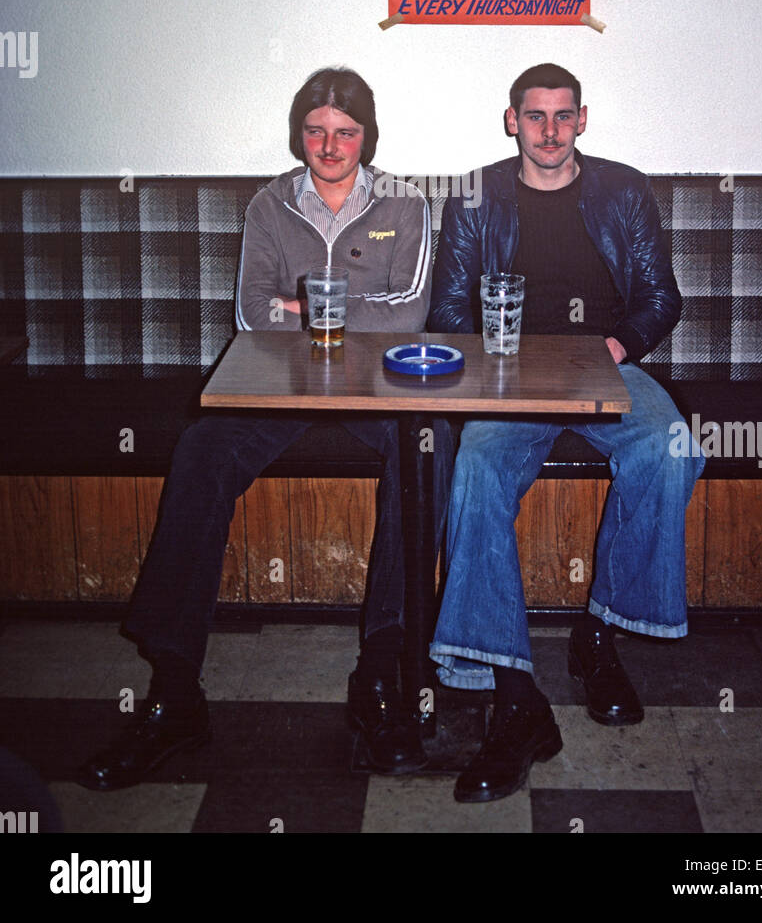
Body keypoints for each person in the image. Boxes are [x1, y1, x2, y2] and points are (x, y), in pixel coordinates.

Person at [76, 67, 451, 789]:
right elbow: (250, 314)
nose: (329, 144)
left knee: (430, 446)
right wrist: (327, 310)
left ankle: (382, 675)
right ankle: (174, 693)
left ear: (367, 135)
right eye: (315, 130)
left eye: (345, 131)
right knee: (201, 447)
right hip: (282, 385)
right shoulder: (270, 205)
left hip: (377, 390)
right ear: (298, 133)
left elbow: (406, 316)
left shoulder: (404, 204)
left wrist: (298, 305)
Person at [427, 63, 704, 803]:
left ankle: (599, 635)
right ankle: (513, 695)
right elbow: (449, 310)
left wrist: (611, 349)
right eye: (533, 115)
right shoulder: (476, 195)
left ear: (581, 120)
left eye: (561, 116)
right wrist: (498, 358)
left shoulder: (623, 188)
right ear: (510, 120)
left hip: (603, 366)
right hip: (508, 374)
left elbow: (658, 296)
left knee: (672, 448)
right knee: (475, 471)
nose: (548, 130)